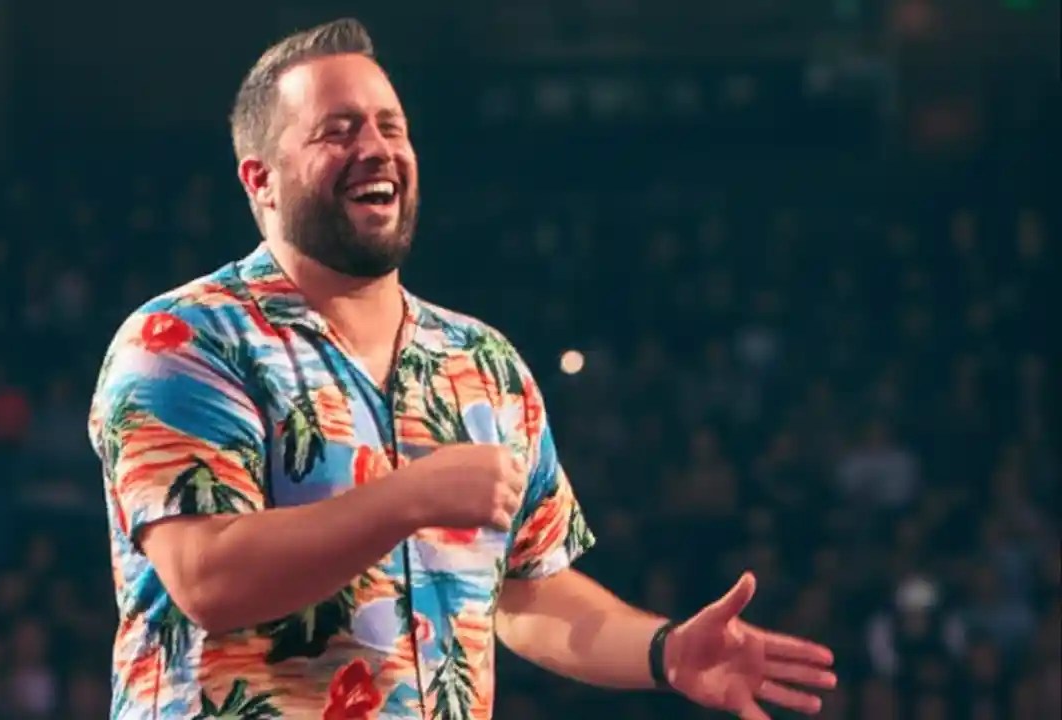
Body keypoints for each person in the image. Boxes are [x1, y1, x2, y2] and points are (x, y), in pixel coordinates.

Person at [88, 18, 837, 720]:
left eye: (391, 126)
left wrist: (664, 651)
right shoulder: (184, 341)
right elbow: (208, 579)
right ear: (261, 180)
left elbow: (528, 593)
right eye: (337, 131)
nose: (376, 148)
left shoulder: (481, 362)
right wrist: (406, 497)